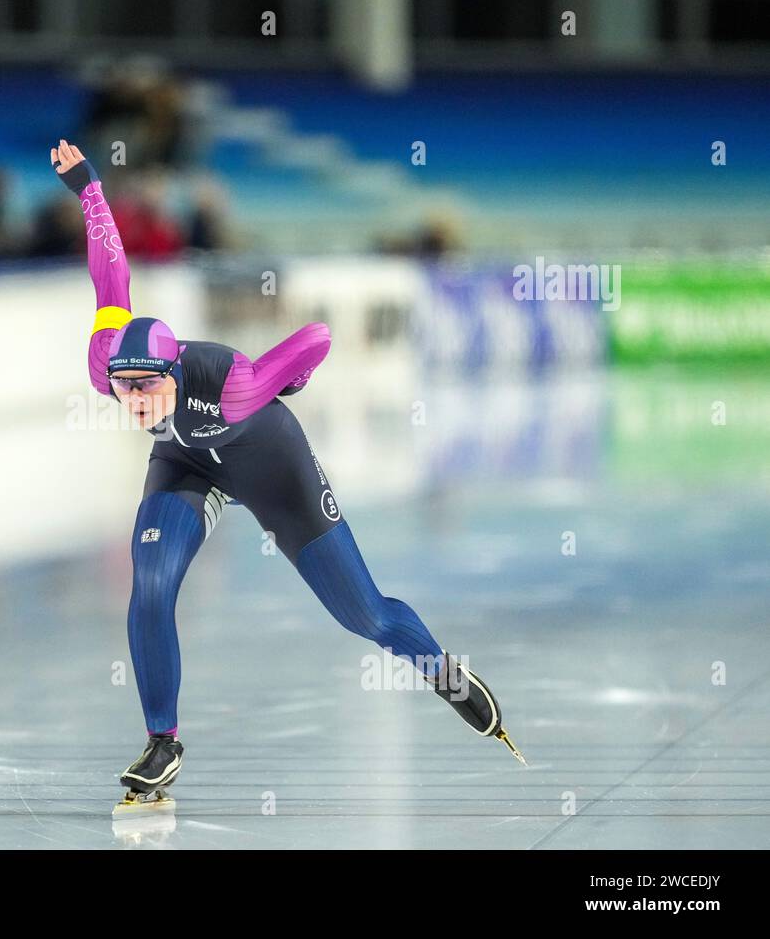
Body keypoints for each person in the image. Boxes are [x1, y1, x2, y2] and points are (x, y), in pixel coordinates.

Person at [50, 138, 526, 805]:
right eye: (124, 391)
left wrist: (289, 381)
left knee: (367, 617)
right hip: (188, 464)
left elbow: (317, 338)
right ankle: (164, 742)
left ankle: (444, 672)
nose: (133, 403)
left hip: (272, 467)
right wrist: (90, 190)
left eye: (146, 391)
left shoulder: (231, 384)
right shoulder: (108, 359)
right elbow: (111, 277)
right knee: (151, 586)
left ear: (172, 372)